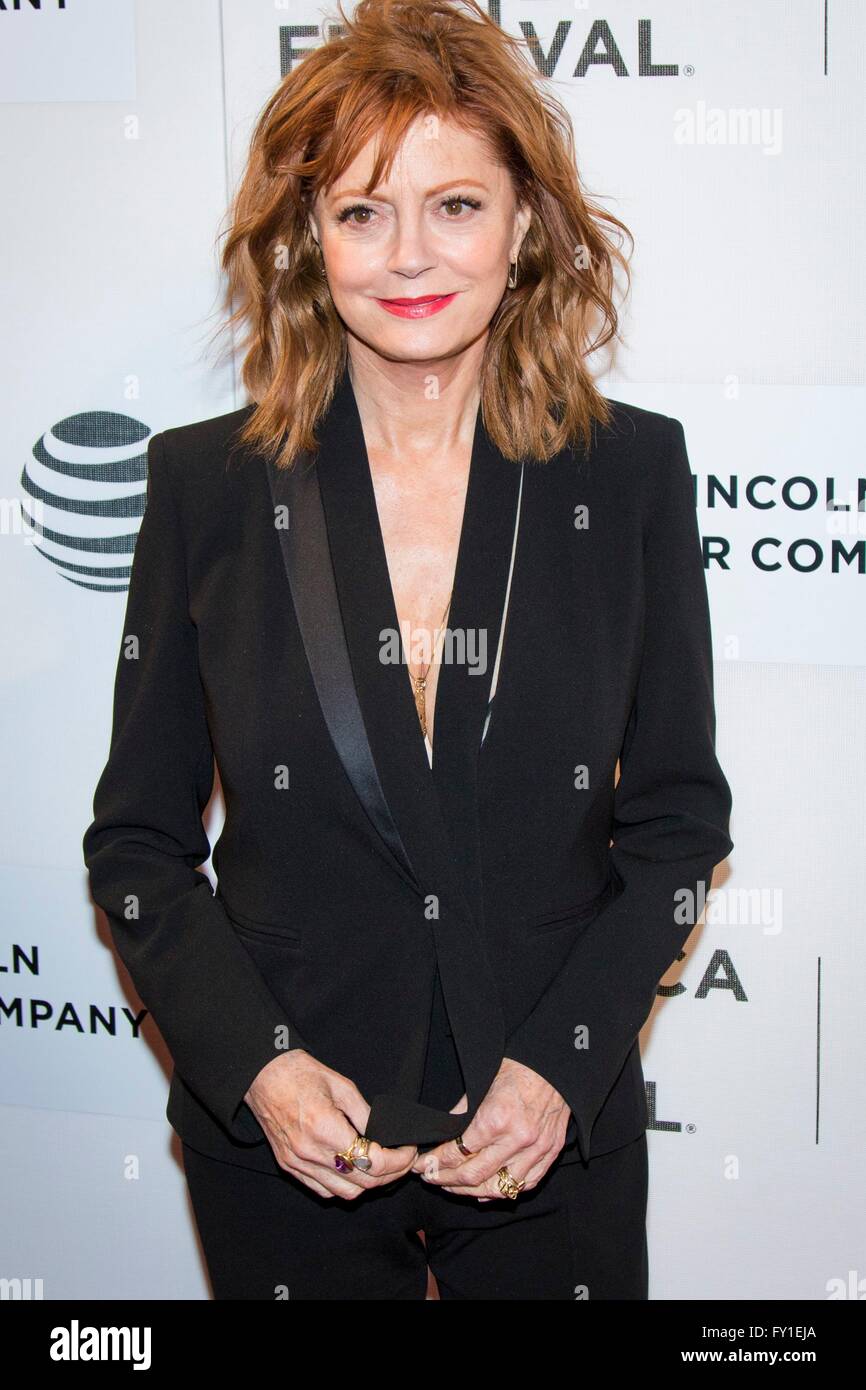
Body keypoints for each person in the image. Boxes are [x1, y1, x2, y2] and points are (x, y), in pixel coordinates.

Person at [82, 0, 733, 1300]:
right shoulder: (209, 485)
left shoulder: (630, 471)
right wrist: (256, 1065)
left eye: (454, 205)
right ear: (305, 241)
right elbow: (139, 844)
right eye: (360, 211)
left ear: (525, 226)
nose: (407, 255)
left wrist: (561, 1063)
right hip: (288, 1143)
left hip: (549, 1138)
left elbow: (674, 821)